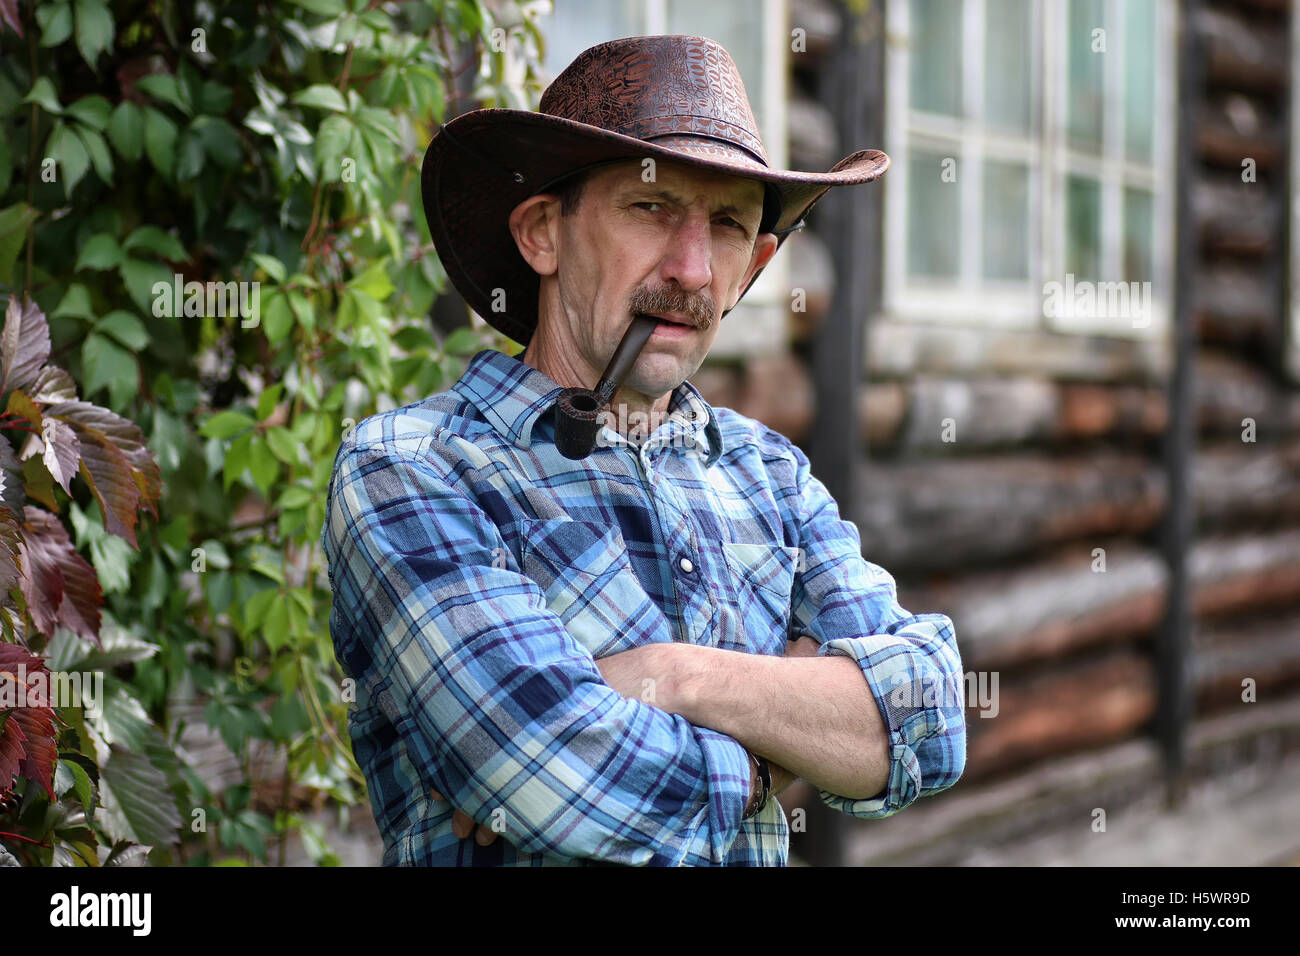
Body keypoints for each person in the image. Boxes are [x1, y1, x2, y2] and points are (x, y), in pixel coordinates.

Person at [322, 34, 966, 866]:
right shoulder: (414, 468)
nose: (693, 271)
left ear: (755, 268)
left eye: (729, 226)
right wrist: (801, 732)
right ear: (543, 234)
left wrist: (674, 676)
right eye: (651, 208)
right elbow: (563, 777)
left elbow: (933, 718)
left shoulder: (771, 474)